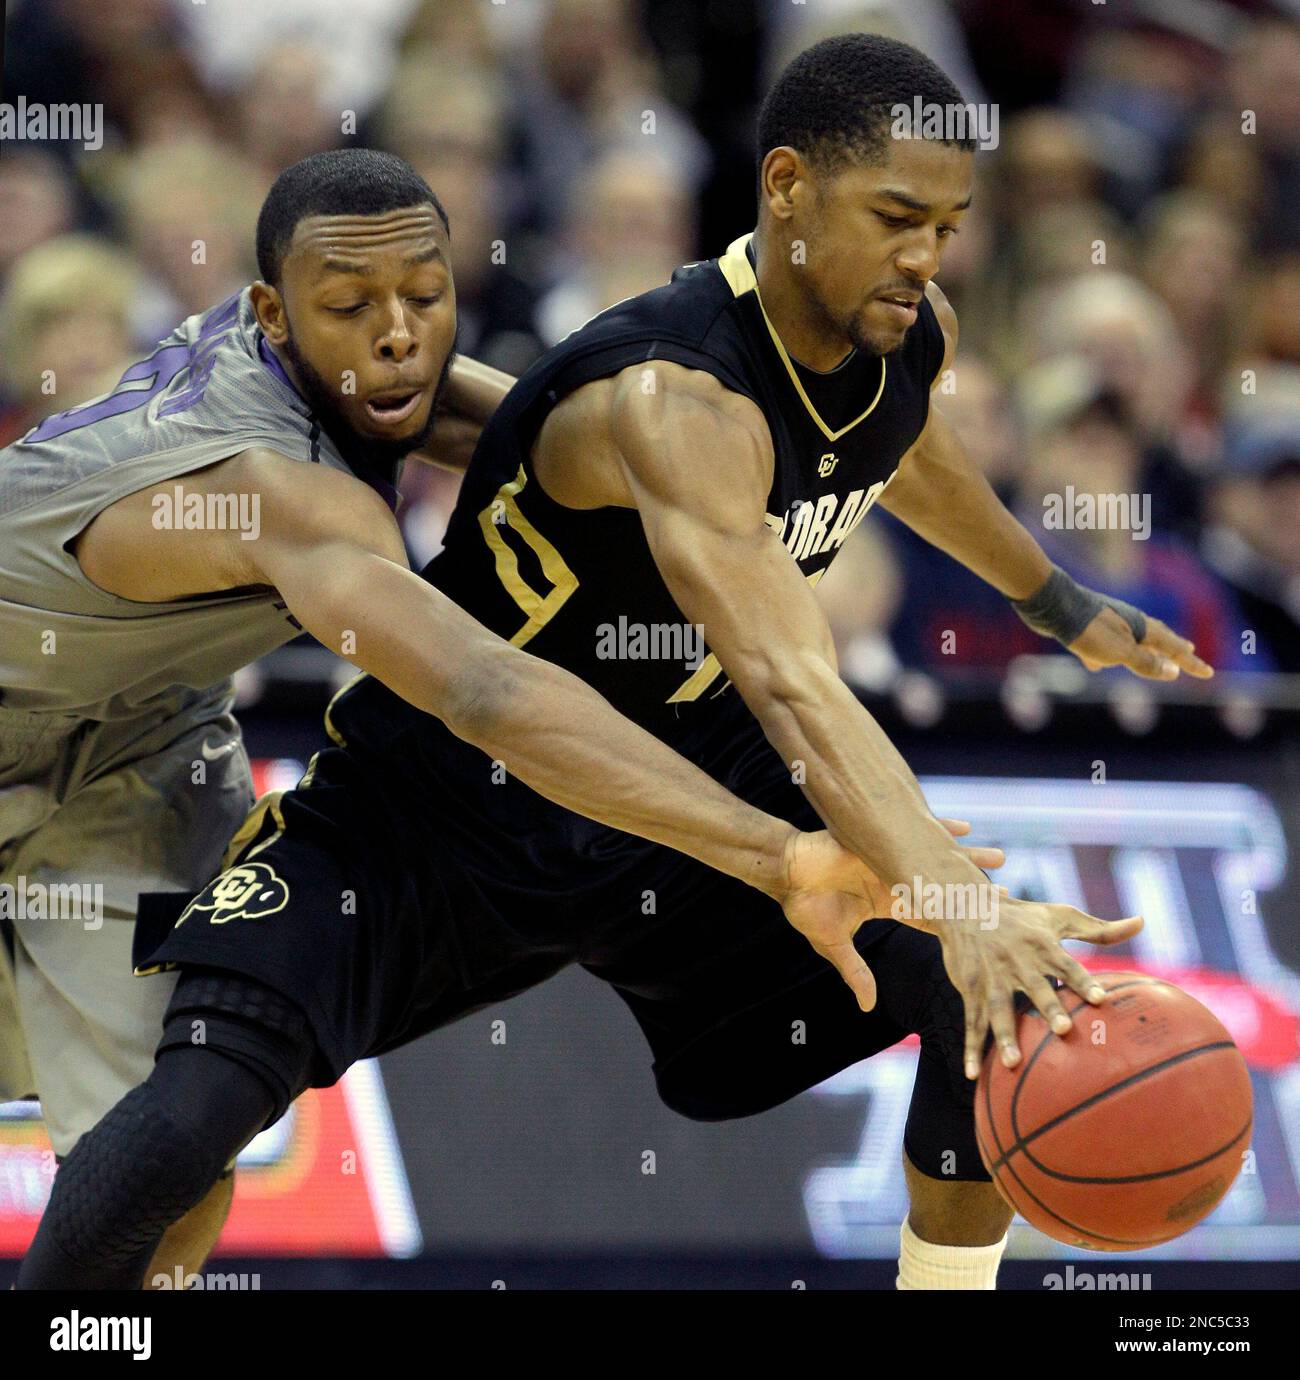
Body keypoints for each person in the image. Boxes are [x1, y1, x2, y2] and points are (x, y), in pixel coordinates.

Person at [20, 36, 1209, 1293]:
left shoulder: (899, 328)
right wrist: (953, 902)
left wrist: (1050, 592)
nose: (925, 254)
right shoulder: (674, 401)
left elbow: (900, 445)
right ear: (790, 187)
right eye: (896, 217)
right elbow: (795, 682)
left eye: (950, 223)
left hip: (687, 788)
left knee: (996, 1003)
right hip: (452, 797)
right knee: (203, 1101)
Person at [4, 147, 921, 1289]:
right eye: (353, 307)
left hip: (133, 750)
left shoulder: (345, 363)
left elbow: (535, 417)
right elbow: (487, 692)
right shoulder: (283, 490)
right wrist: (777, 852)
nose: (398, 334)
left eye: (426, 298)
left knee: (173, 1150)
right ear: (272, 316)